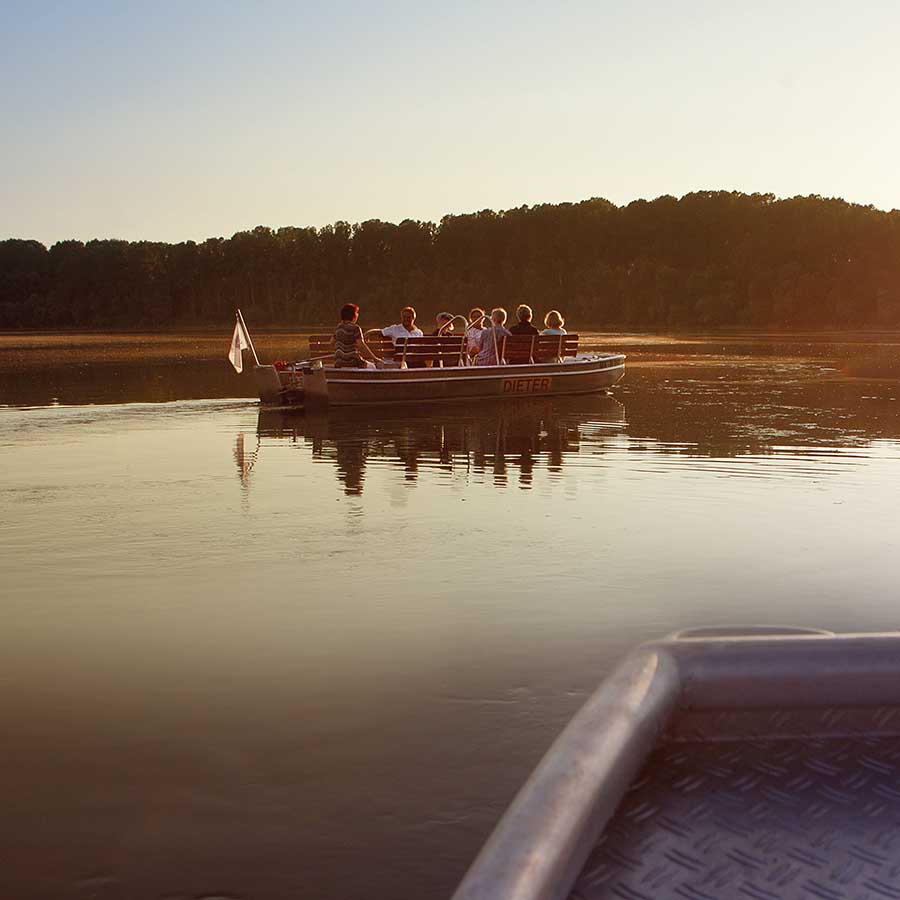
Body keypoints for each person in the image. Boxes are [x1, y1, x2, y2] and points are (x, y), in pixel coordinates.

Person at [333, 303, 382, 368]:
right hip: (354, 363)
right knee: (373, 366)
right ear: (354, 316)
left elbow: (331, 342)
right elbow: (361, 345)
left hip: (339, 363)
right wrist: (375, 359)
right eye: (357, 313)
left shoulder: (338, 328)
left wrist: (342, 351)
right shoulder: (355, 328)